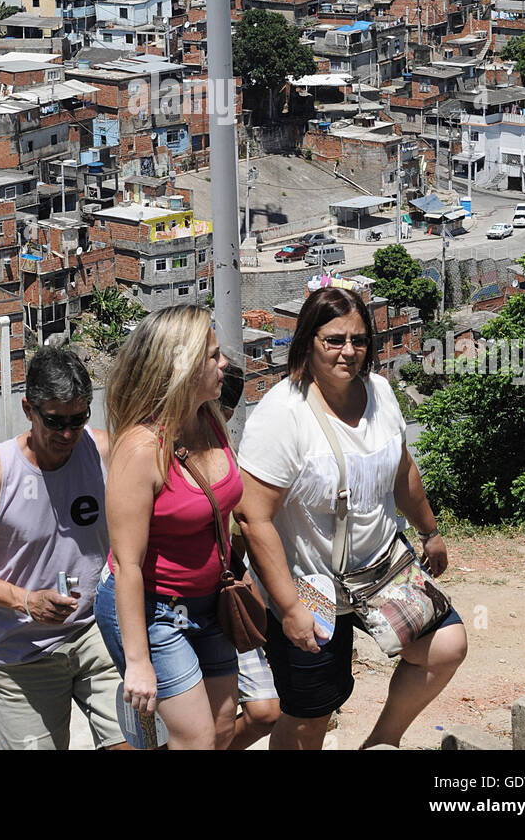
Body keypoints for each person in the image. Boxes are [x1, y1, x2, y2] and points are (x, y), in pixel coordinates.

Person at [236, 285, 467, 751]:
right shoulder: (283, 413)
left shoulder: (380, 393)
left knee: (446, 646)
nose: (349, 351)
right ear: (307, 341)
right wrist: (289, 608)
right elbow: (252, 518)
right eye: (334, 339)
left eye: (359, 340)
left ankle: (381, 742)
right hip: (308, 584)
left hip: (380, 568)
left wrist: (431, 530)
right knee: (310, 715)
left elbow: (402, 469)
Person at [0, 347, 128, 751]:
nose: (67, 434)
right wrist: (25, 600)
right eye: (55, 422)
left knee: (140, 744)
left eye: (78, 420)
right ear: (29, 409)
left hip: (97, 630)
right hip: (22, 651)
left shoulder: (104, 453)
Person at [94, 305, 242, 750]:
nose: (225, 364)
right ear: (181, 366)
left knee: (221, 730)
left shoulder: (209, 418)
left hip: (210, 603)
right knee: (193, 739)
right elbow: (126, 563)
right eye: (213, 356)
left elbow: (224, 509)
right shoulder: (141, 448)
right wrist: (138, 662)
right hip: (155, 610)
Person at [218, 364, 281, 752]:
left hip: (227, 595)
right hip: (176, 601)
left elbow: (244, 528)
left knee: (264, 711)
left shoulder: (229, 454)